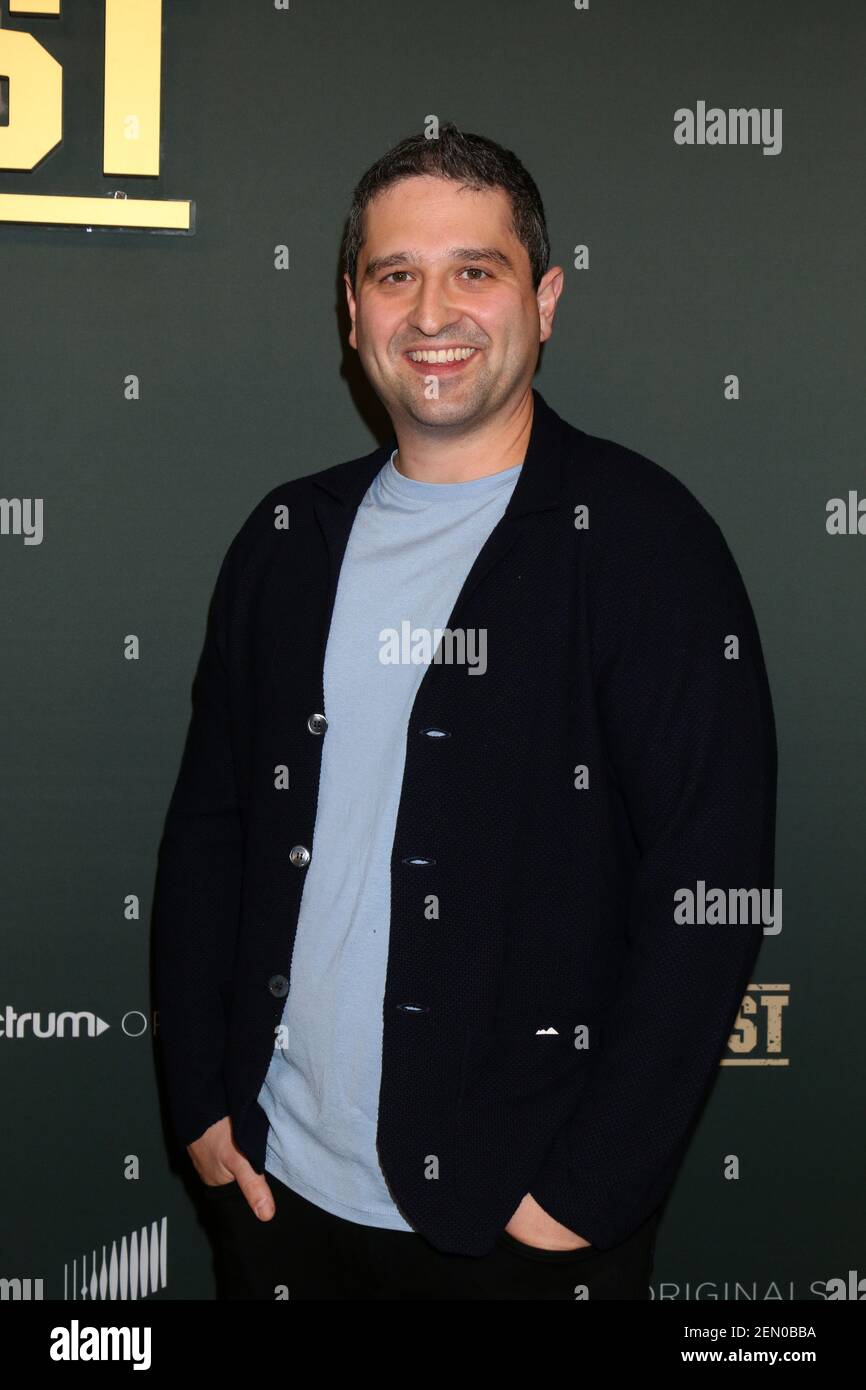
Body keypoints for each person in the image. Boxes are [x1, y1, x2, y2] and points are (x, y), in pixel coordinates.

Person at [152, 123, 777, 1300]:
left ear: (543, 299)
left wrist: (582, 1195)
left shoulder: (644, 543)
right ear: (352, 311)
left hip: (517, 1224)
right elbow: (210, 827)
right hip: (279, 1190)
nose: (431, 312)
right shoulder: (286, 541)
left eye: (473, 272)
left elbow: (710, 882)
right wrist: (201, 1098)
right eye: (396, 275)